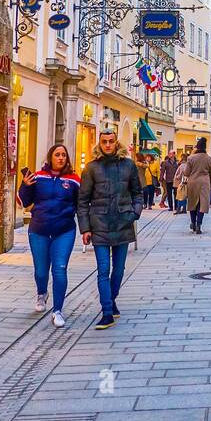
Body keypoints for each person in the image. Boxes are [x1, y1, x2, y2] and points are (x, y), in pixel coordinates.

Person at [77, 129, 144, 330]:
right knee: (103, 269)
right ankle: (107, 311)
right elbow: (82, 201)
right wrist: (85, 228)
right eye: (104, 142)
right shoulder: (91, 168)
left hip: (123, 223)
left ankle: (111, 299)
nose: (107, 145)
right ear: (99, 144)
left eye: (111, 141)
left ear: (116, 143)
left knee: (119, 269)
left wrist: (135, 213)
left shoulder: (128, 165)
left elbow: (137, 193)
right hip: (99, 224)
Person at [17, 144, 80, 327]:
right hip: (39, 230)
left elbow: (81, 204)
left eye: (63, 155)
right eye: (57, 155)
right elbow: (23, 201)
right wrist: (25, 186)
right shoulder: (38, 177)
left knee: (59, 269)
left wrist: (86, 228)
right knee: (41, 270)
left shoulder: (74, 180)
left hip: (64, 230)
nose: (60, 158)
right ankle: (42, 293)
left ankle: (58, 310)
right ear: (50, 157)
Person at [183, 138, 211, 234]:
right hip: (204, 183)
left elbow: (186, 172)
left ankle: (193, 223)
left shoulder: (191, 158)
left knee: (192, 204)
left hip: (193, 182)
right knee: (202, 204)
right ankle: (199, 224)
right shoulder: (209, 159)